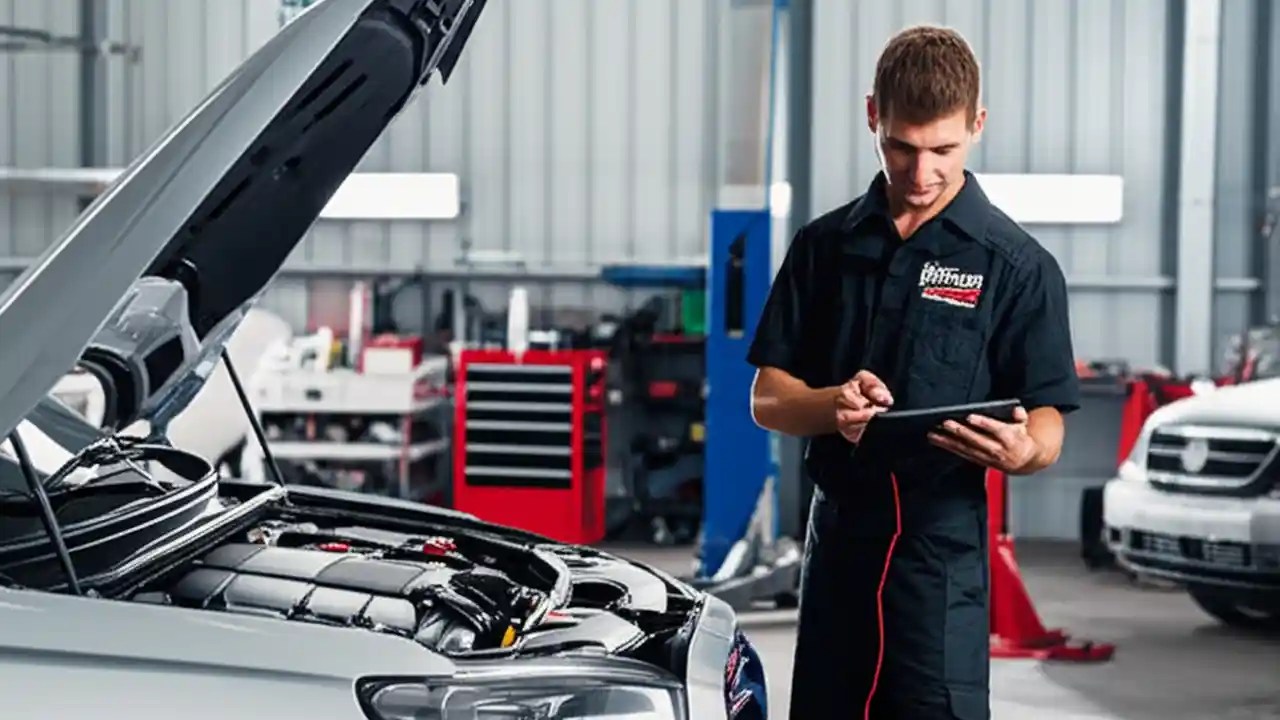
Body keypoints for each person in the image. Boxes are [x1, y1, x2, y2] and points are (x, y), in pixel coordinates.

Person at [747, 25, 1080, 720]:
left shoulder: (1018, 268)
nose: (921, 173)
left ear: (977, 125)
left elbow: (1048, 419)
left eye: (943, 150)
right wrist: (832, 404)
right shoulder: (823, 248)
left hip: (940, 564)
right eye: (901, 146)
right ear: (873, 115)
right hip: (837, 550)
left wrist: (1024, 451)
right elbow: (768, 399)